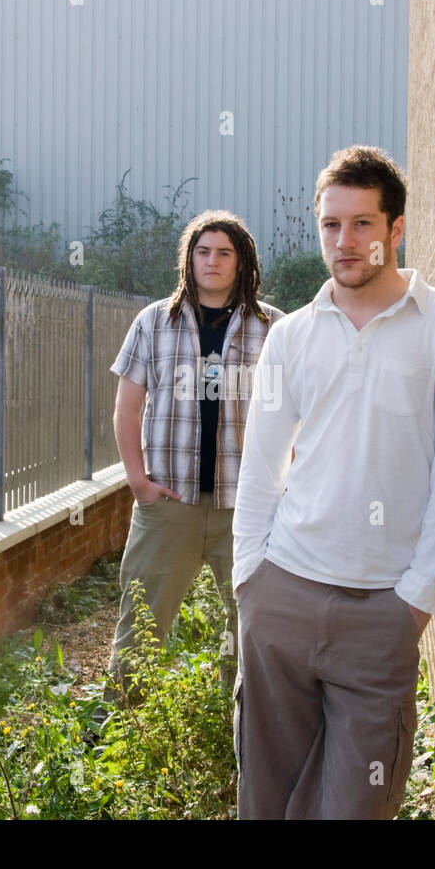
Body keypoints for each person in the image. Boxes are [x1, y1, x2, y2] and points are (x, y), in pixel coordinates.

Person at [231, 146, 435, 819]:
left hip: (382, 613)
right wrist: (249, 578)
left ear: (396, 230)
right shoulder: (292, 338)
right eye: (331, 225)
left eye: (363, 224)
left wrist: (415, 604)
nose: (344, 242)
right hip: (281, 594)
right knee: (267, 799)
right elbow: (260, 467)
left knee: (357, 804)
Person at [105, 209, 285, 702]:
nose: (213, 261)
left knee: (251, 621)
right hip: (169, 502)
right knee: (142, 616)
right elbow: (126, 409)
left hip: (246, 507)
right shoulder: (153, 322)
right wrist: (138, 483)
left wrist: (285, 486)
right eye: (203, 251)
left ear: (242, 261)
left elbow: (301, 413)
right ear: (189, 259)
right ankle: (122, 726)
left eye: (224, 252)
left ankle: (242, 731)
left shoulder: (274, 328)